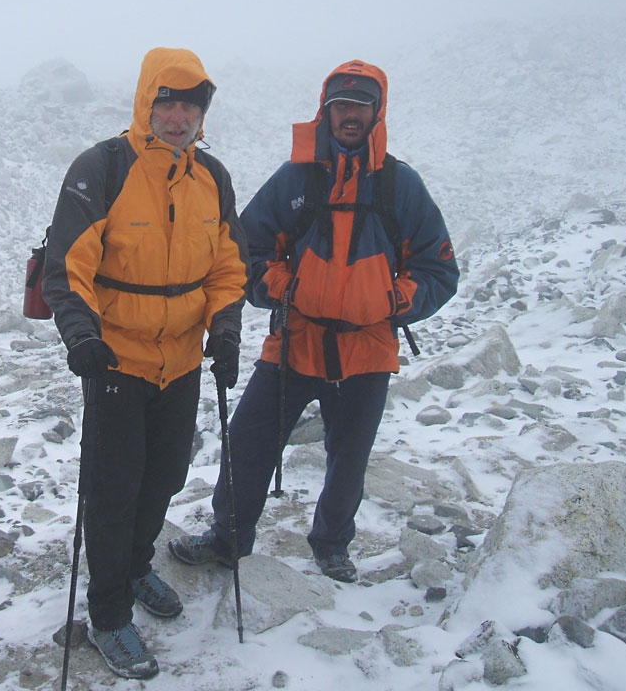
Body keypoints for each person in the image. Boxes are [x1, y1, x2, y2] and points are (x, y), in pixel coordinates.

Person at [170, 60, 459, 584]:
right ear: (325, 113)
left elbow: (439, 268)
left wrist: (393, 299)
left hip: (367, 348)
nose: (350, 115)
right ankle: (228, 538)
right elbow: (246, 250)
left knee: (348, 459)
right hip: (295, 341)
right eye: (340, 106)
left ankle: (331, 545)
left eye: (360, 106)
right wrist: (283, 287)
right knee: (249, 443)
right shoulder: (295, 178)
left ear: (377, 112)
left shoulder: (400, 185)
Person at [42, 47, 248, 679]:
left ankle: (134, 568)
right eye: (168, 101)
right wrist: (81, 335)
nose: (179, 115)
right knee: (112, 489)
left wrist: (227, 328)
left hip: (183, 357)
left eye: (192, 104)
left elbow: (227, 264)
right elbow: (66, 266)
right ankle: (106, 616)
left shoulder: (211, 176)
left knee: (162, 477)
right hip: (115, 360)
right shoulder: (102, 167)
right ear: (146, 102)